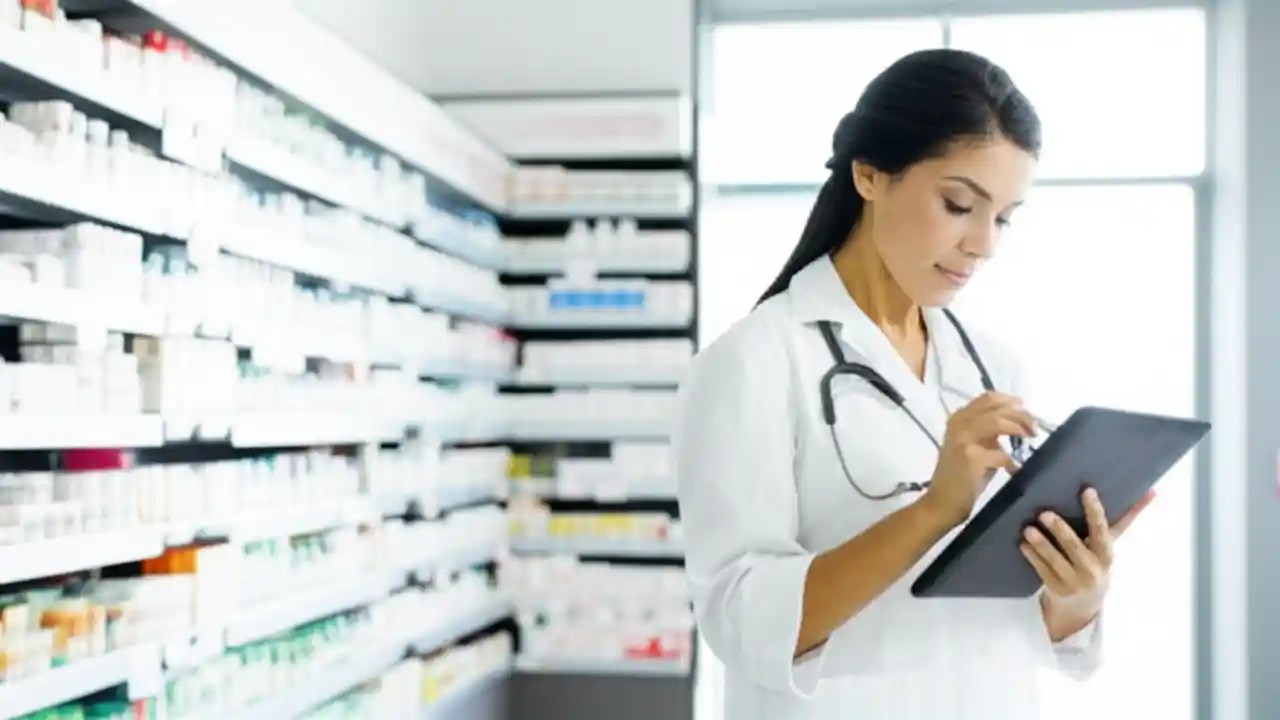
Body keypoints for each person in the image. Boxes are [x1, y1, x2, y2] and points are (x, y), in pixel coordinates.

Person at [672, 48, 1153, 720]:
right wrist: (934, 510)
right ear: (870, 174)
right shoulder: (753, 363)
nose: (984, 243)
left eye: (1004, 217)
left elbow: (1022, 626)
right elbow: (744, 625)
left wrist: (1076, 591)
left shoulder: (992, 368)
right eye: (960, 204)